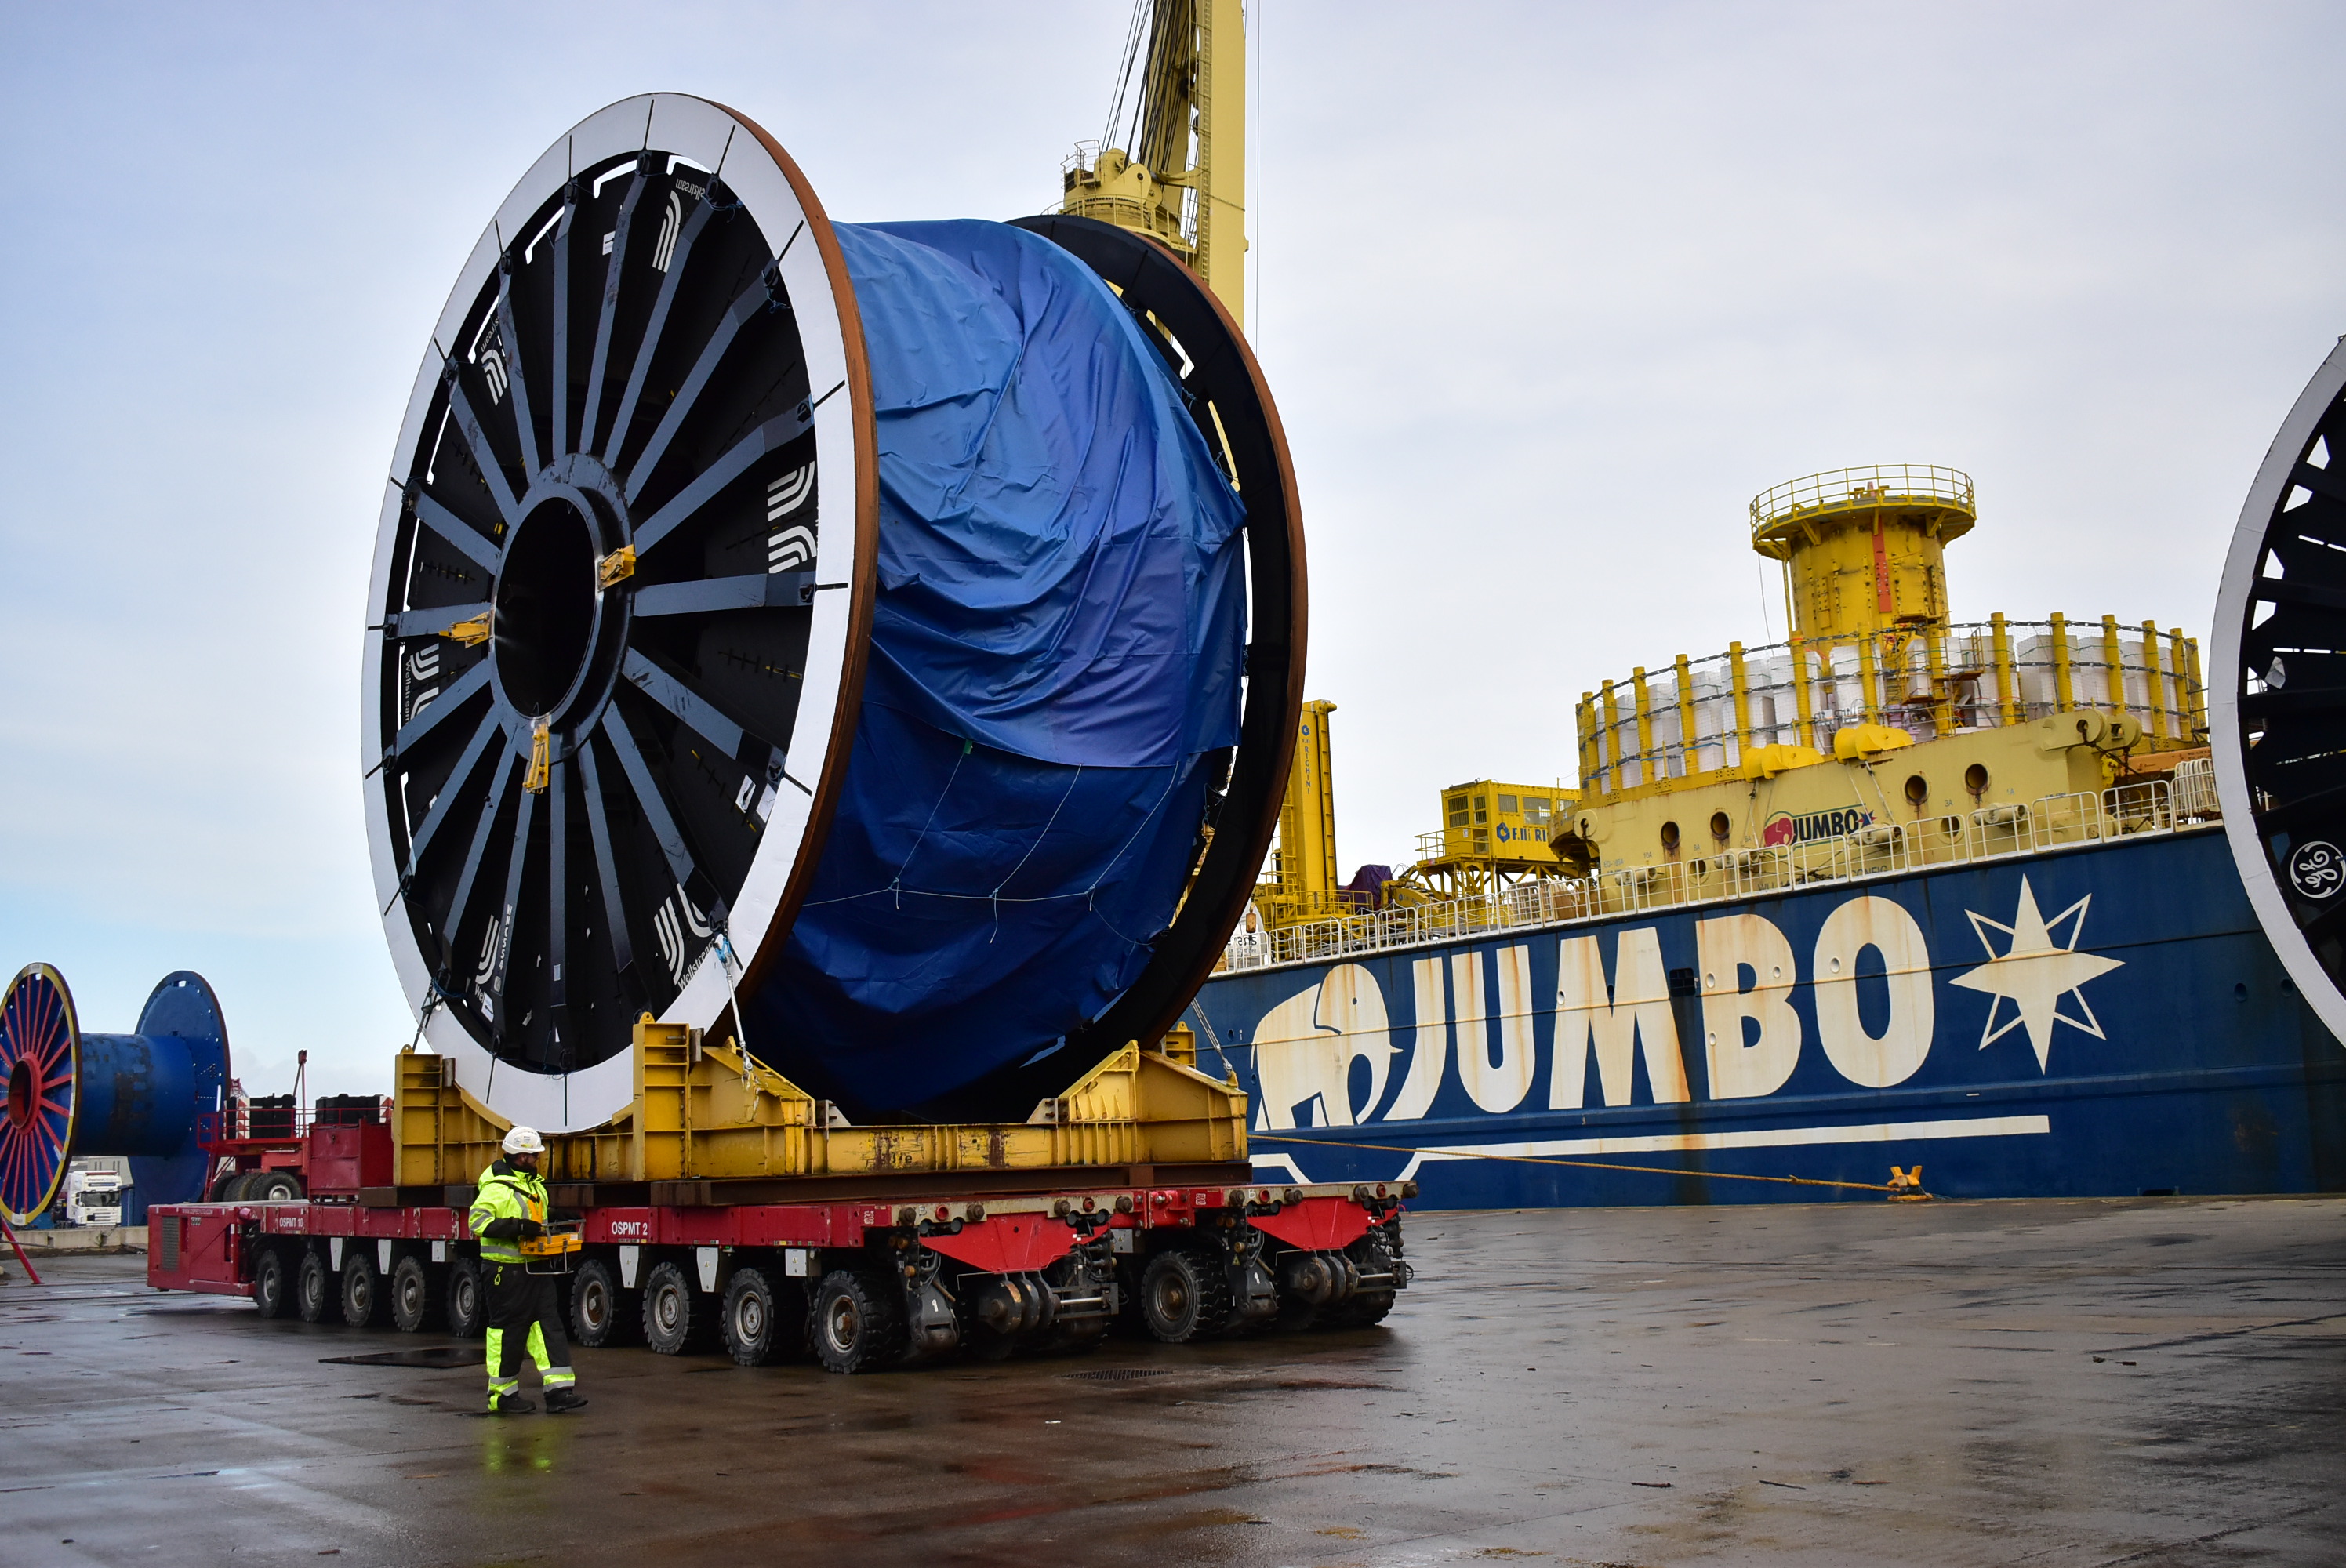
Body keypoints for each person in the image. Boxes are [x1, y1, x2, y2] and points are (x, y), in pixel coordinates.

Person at [469, 1127, 586, 1415]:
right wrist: (517, 1227)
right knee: (507, 1333)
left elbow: (535, 1217)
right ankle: (502, 1396)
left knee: (549, 1328)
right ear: (521, 1157)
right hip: (505, 1272)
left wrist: (554, 1217)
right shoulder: (496, 1188)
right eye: (533, 1155)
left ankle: (559, 1392)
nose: (536, 1159)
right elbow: (477, 1222)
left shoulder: (535, 1186)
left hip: (535, 1269)